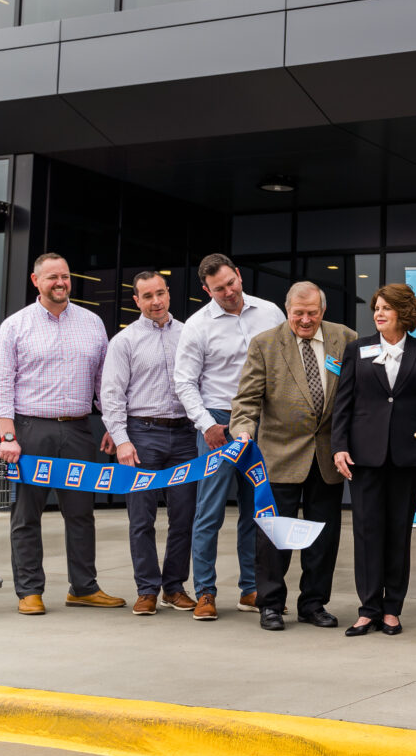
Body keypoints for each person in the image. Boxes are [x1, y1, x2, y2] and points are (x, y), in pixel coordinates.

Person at [0, 252, 124, 615]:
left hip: (80, 429)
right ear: (36, 282)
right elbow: (0, 385)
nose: (60, 283)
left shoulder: (92, 323)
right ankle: (29, 591)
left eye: (64, 276)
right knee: (27, 514)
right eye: (52, 278)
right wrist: (7, 436)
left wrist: (111, 425)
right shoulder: (16, 326)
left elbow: (103, 383)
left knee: (81, 514)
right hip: (31, 431)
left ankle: (84, 587)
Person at [231, 282, 355, 631]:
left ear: (322, 310)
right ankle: (270, 604)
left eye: (311, 313)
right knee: (273, 536)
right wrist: (242, 430)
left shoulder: (345, 339)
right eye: (298, 313)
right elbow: (246, 399)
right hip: (279, 456)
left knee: (323, 536)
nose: (305, 319)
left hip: (328, 457)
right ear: (288, 311)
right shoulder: (265, 344)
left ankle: (314, 604)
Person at [173, 253, 286, 621]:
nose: (228, 292)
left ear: (239, 275)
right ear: (207, 290)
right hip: (218, 424)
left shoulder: (271, 313)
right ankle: (205, 592)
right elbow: (185, 382)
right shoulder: (197, 325)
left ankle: (250, 589)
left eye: (231, 283)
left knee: (257, 511)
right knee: (209, 511)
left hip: (261, 422)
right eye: (218, 289)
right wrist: (206, 425)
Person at [331, 284, 416, 637]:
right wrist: (339, 446)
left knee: (398, 533)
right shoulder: (357, 349)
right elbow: (343, 403)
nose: (378, 313)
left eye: (386, 308)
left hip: (408, 456)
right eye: (376, 308)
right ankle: (368, 610)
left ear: (404, 313)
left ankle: (392, 609)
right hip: (364, 456)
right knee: (366, 533)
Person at [100, 271, 198, 617]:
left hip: (184, 436)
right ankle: (146, 589)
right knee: (141, 519)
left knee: (184, 516)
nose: (155, 301)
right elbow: (111, 395)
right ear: (136, 301)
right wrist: (123, 441)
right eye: (147, 296)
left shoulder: (189, 334)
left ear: (168, 294)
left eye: (160, 293)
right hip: (142, 435)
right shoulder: (124, 342)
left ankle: (174, 587)